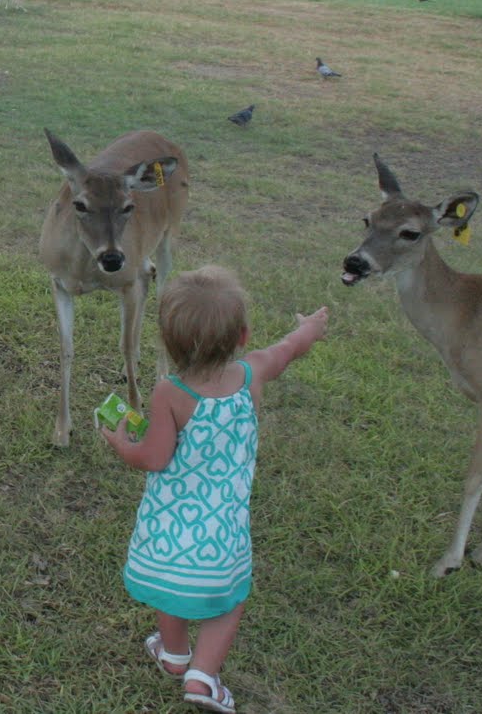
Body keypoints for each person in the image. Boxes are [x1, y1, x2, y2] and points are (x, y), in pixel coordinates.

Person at [99, 266, 329, 711]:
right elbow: (288, 349)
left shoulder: (171, 392)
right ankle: (201, 677)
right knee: (225, 602)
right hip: (221, 539)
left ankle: (174, 655)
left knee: (173, 590)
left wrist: (120, 442)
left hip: (166, 538)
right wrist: (310, 329)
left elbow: (154, 458)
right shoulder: (252, 372)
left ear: (168, 341)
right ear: (242, 336)